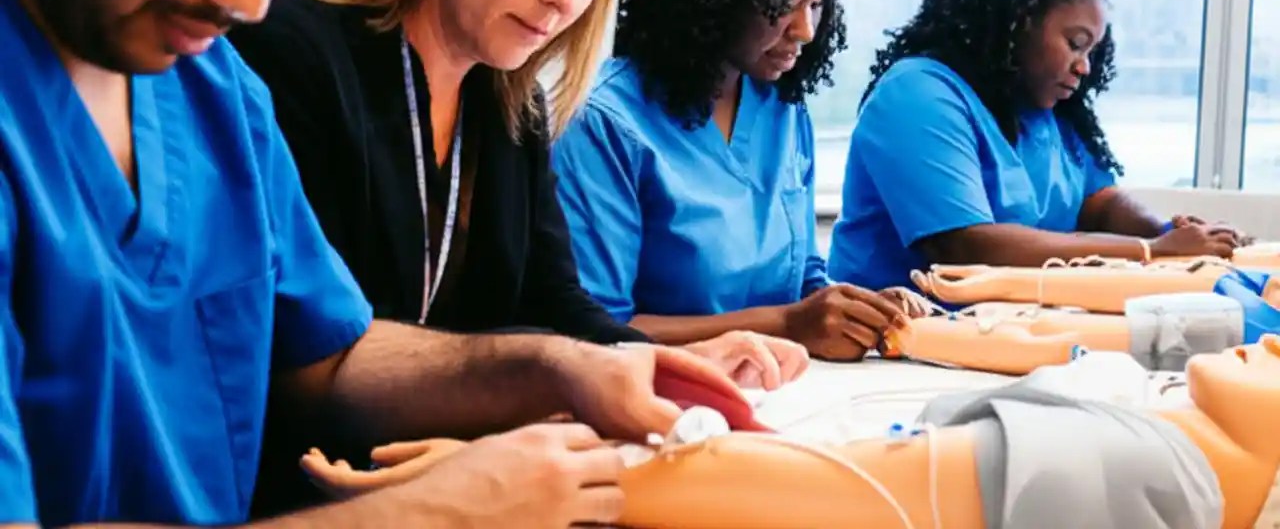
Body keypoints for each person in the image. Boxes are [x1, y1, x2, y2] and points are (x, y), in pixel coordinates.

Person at [0, 0, 738, 526]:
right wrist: (435, 511)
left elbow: (329, 358)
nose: (251, 0)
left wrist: (556, 367)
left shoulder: (215, 89)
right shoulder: (280, 62)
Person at [226, 0, 807, 391]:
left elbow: (556, 307)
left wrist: (680, 365)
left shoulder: (513, 108)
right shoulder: (289, 54)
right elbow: (296, 352)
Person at [294, 335, 1280, 529]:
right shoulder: (1166, 451)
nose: (1268, 342)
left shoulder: (1139, 467)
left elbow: (838, 487)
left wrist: (502, 481)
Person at [551, 0, 914, 362]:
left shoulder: (782, 109)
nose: (806, 30)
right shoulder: (602, 124)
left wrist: (855, 310)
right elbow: (597, 333)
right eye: (785, 1)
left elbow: (801, 276)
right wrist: (787, 326)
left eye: (817, 1)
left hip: (784, 387)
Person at [827, 0, 1245, 296]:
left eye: (1093, 51)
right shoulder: (916, 94)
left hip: (999, 333)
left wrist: (1166, 230)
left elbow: (1098, 202)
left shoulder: (1047, 107)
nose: (1084, 66)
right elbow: (966, 247)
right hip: (888, 343)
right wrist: (1149, 250)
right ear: (1016, 22)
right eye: (1076, 44)